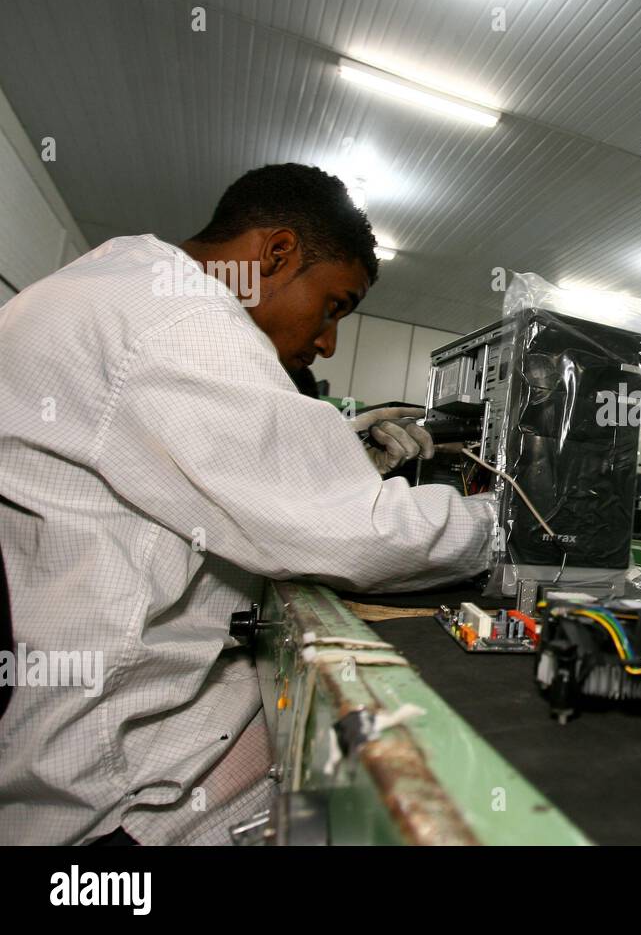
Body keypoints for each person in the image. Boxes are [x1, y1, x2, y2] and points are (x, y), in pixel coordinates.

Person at [0, 163, 494, 845]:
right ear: (277, 253)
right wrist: (505, 524)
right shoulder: (183, 319)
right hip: (116, 804)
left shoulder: (114, 284)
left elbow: (196, 470)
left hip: (56, 754)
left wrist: (340, 459)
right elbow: (364, 533)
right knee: (357, 806)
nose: (326, 341)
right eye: (333, 305)